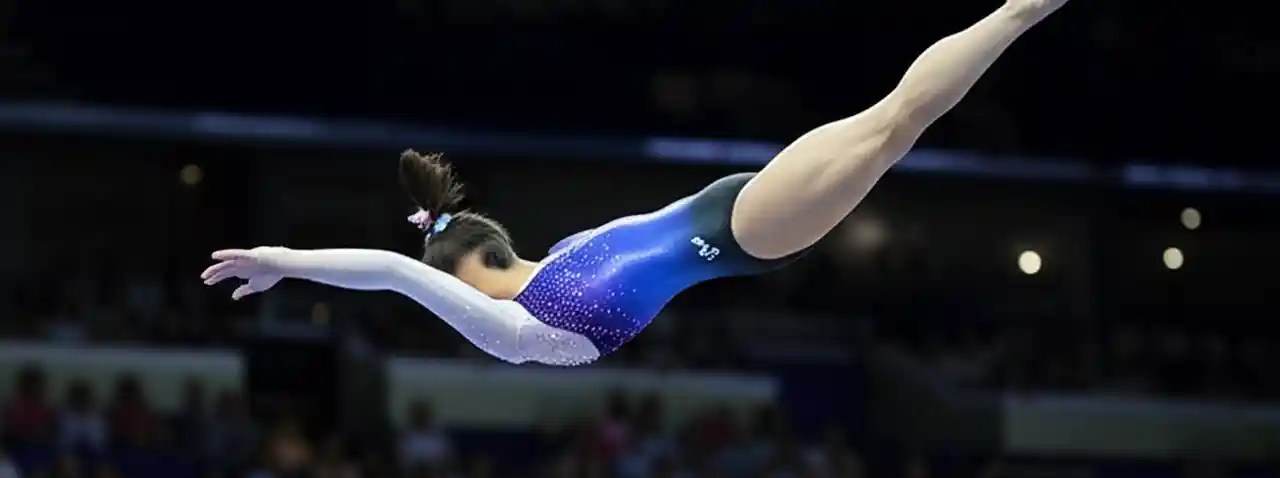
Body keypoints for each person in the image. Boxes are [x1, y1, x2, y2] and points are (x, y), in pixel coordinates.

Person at [203, 0, 1072, 366]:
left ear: (470, 269)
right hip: (739, 207)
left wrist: (284, 258)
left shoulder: (512, 328)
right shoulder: (561, 258)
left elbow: (396, 271)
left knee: (894, 125)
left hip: (744, 231)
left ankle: (1023, 10)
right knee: (890, 121)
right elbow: (420, 255)